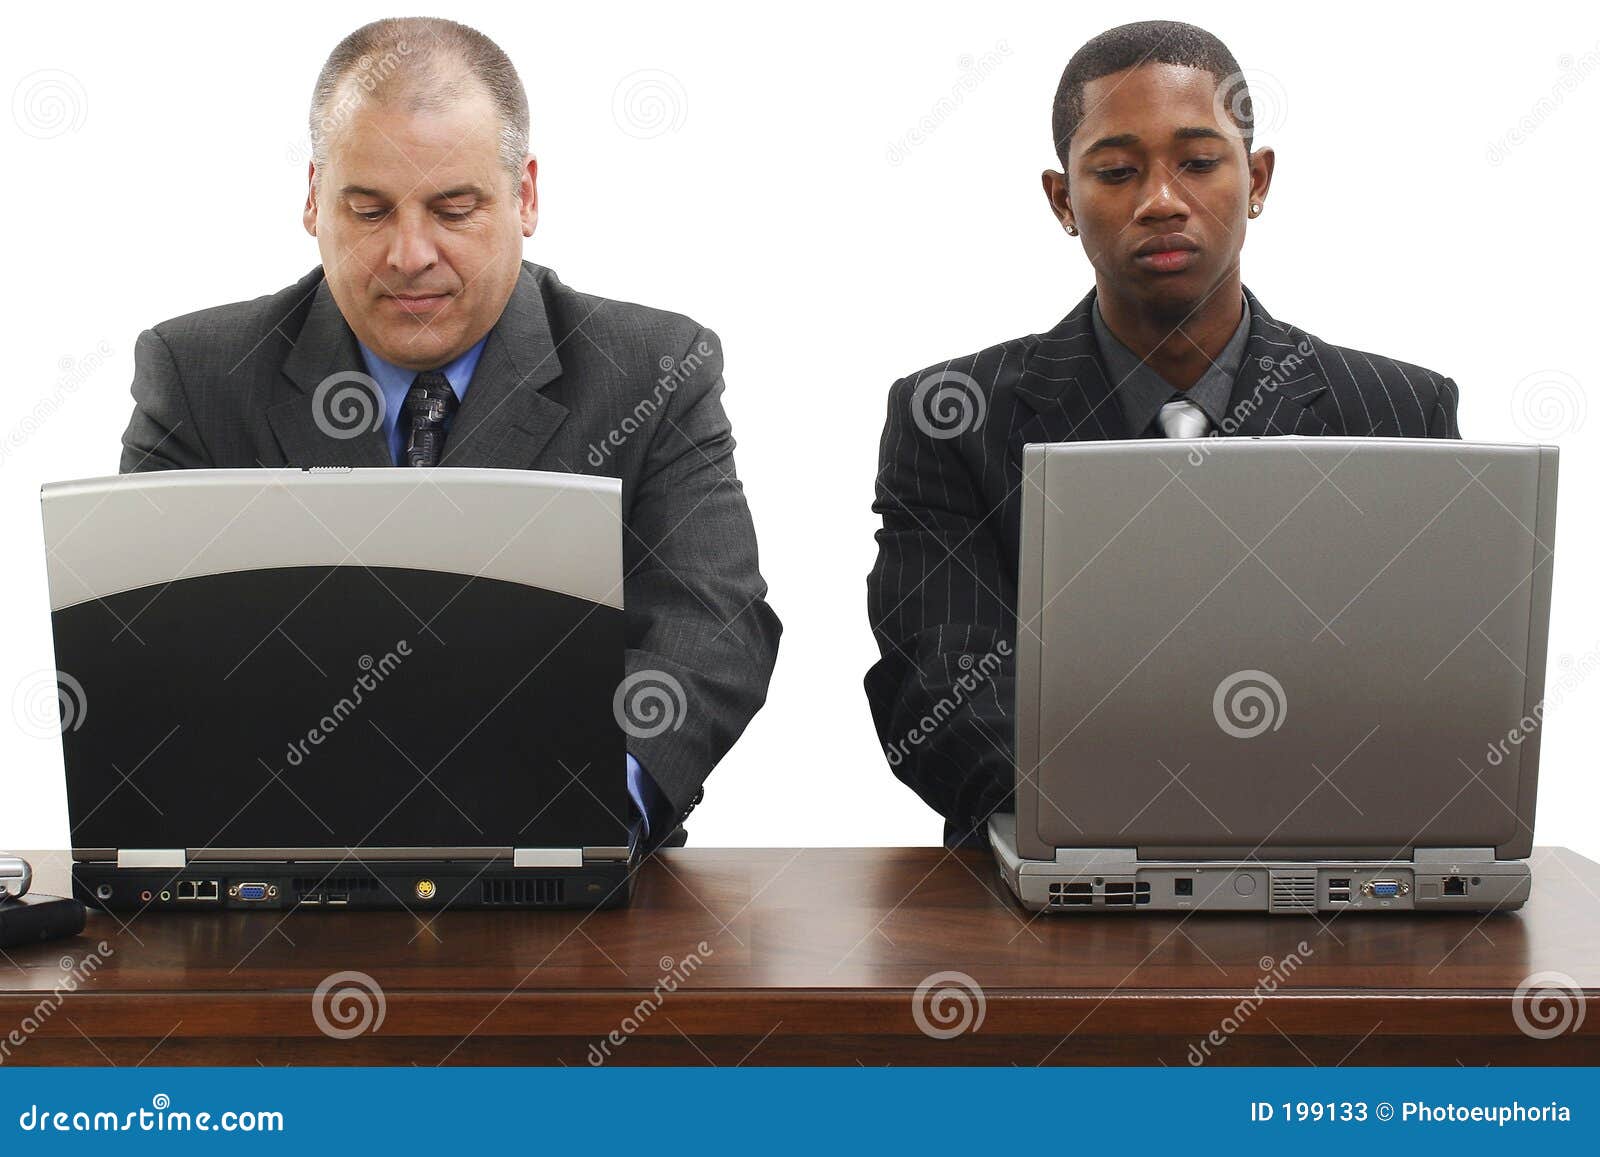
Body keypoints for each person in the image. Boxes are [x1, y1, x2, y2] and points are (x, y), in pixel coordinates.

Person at [119, 17, 781, 849]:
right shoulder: (197, 372)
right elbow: (145, 659)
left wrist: (579, 815)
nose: (409, 253)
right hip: (273, 873)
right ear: (313, 199)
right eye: (367, 210)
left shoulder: (653, 369)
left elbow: (713, 626)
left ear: (526, 196)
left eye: (454, 209)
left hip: (559, 871)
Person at [866, 20, 1459, 848]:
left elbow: (1432, 692)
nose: (1161, 200)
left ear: (1256, 180)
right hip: (1054, 883)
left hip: (1336, 878)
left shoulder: (1400, 413)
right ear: (1062, 199)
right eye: (1116, 170)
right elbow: (943, 688)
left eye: (1199, 162)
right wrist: (1152, 821)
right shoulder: (952, 415)